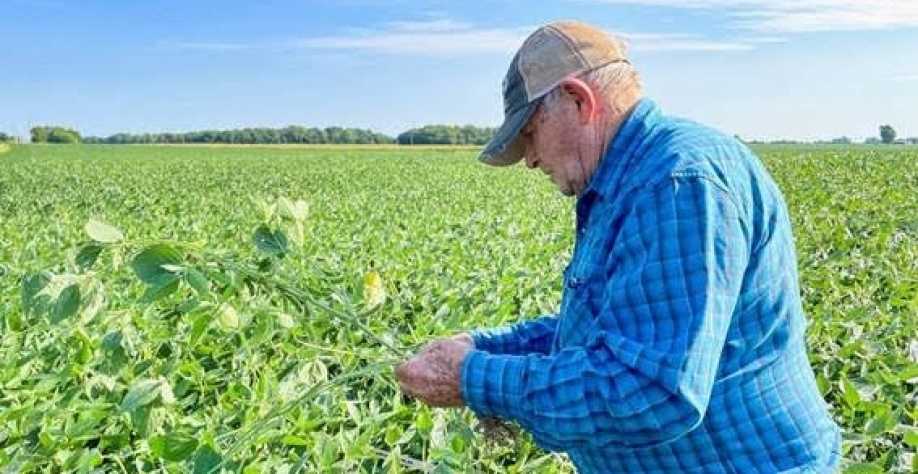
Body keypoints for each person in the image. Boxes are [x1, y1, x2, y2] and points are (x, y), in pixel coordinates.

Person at [395, 19, 841, 473]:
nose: (529, 159)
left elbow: (653, 390)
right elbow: (606, 331)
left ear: (578, 100)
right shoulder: (631, 178)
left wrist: (472, 377)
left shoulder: (676, 182)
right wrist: (482, 346)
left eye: (529, 133)